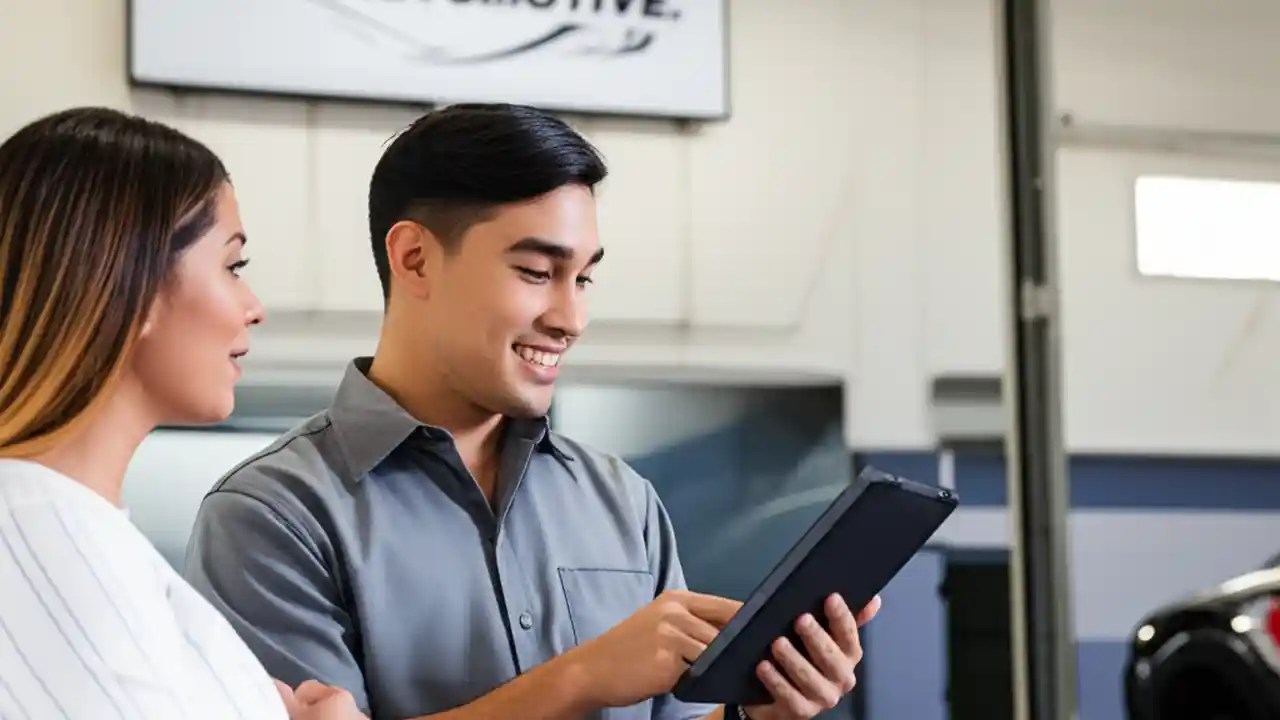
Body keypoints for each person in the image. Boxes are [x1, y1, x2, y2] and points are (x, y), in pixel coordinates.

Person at [183, 103, 880, 720]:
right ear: (416, 259)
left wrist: (758, 717)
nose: (571, 316)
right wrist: (577, 679)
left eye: (584, 277)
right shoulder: (271, 517)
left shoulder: (622, 502)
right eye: (537, 273)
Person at [0, 107, 365, 720]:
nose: (253, 307)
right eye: (232, 266)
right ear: (131, 286)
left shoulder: (80, 536)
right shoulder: (39, 532)